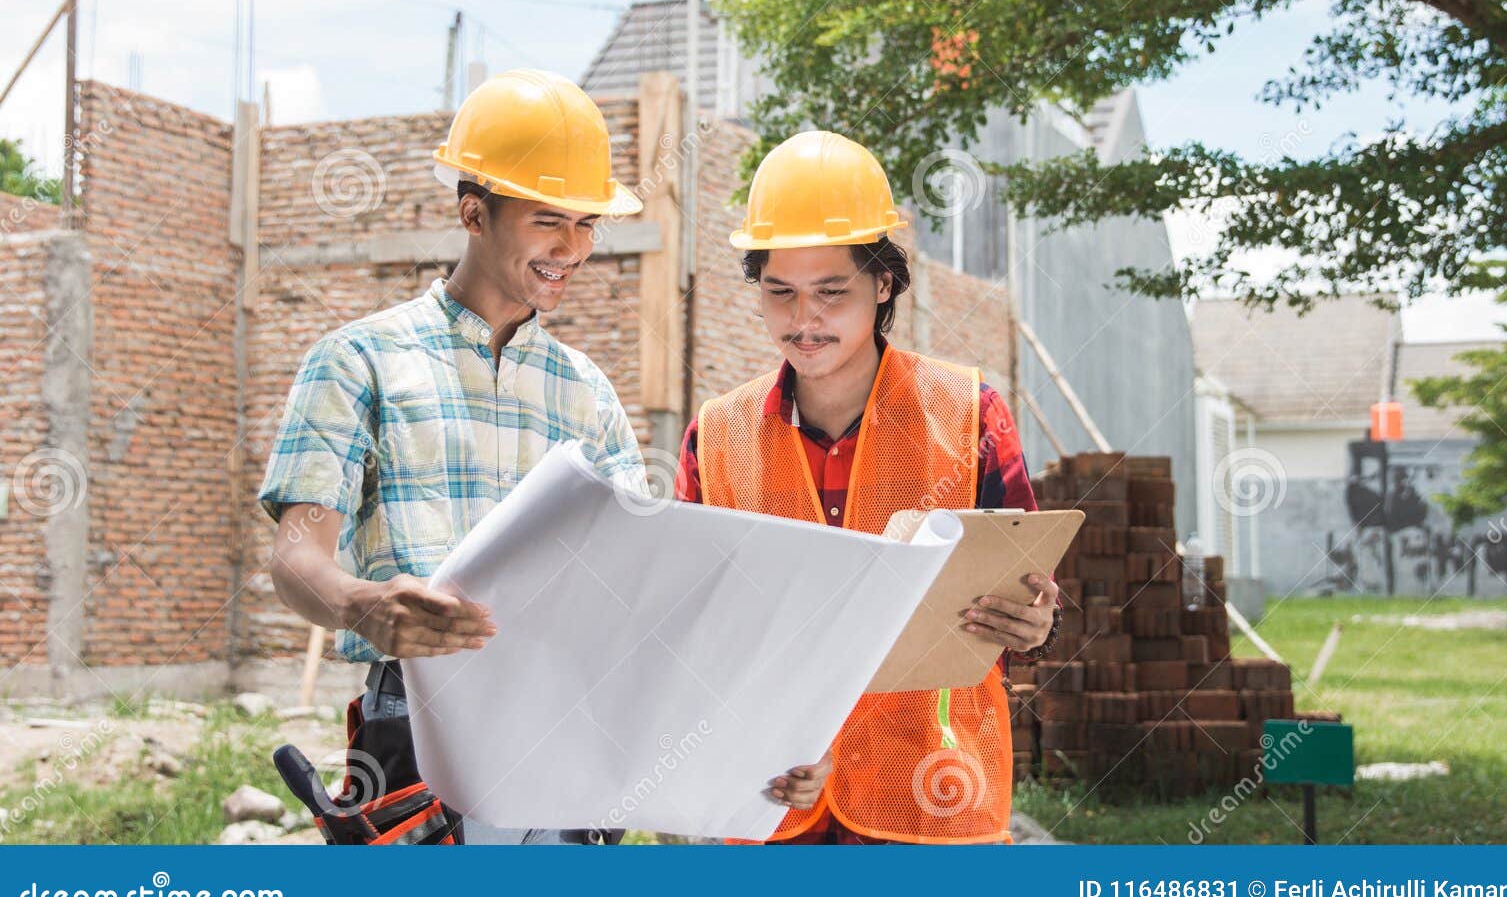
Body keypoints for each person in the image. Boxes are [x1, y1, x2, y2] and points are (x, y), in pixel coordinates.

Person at [260, 69, 646, 845]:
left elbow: (634, 576)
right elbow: (295, 556)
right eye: (547, 220)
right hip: (416, 726)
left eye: (586, 224)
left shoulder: (588, 394)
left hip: (566, 724)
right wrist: (358, 602)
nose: (572, 248)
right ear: (474, 212)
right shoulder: (358, 361)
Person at [675, 130, 1060, 844]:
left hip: (932, 800)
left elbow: (1025, 588)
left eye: (831, 293)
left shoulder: (969, 415)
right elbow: (697, 625)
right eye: (780, 293)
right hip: (771, 805)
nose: (804, 320)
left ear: (883, 284)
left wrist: (1038, 624)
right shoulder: (716, 436)